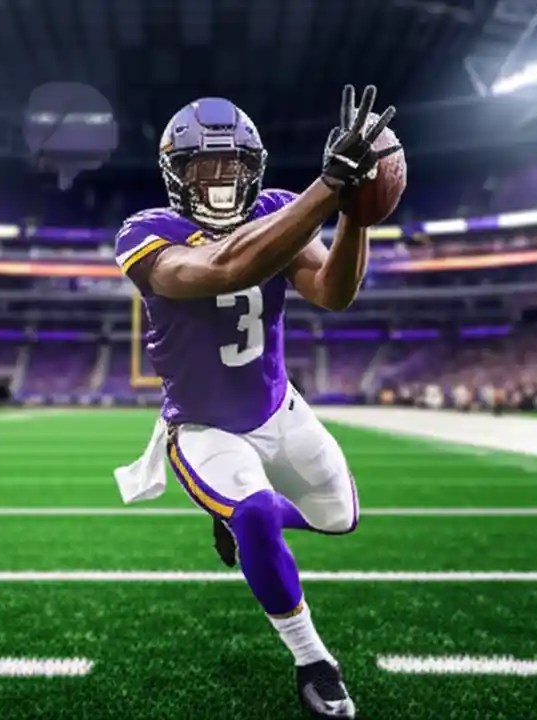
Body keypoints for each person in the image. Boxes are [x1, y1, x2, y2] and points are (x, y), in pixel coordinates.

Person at [113, 86, 399, 719]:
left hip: (279, 408)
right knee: (260, 514)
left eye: (232, 164)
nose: (219, 178)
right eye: (202, 166)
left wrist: (355, 212)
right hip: (204, 426)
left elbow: (333, 293)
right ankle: (314, 661)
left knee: (339, 518)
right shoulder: (146, 231)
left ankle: (235, 516)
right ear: (175, 174)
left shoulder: (277, 208)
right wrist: (326, 190)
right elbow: (221, 270)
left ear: (255, 169)